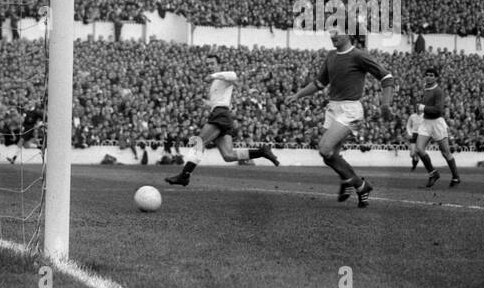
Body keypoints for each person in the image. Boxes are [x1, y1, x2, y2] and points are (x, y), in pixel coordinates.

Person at [288, 28, 395, 207]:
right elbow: (319, 83)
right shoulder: (331, 56)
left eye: (337, 32)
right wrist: (298, 95)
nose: (333, 35)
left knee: (324, 148)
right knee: (329, 156)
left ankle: (352, 183)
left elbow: (387, 77)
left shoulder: (359, 56)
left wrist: (385, 104)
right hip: (333, 108)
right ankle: (359, 186)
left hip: (350, 109)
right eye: (331, 32)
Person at [166, 52, 279, 186]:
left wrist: (213, 75)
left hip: (221, 114)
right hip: (222, 114)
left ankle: (184, 175)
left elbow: (234, 75)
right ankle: (262, 151)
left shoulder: (223, 77)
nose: (209, 66)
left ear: (219, 65)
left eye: (212, 64)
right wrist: (205, 103)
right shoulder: (216, 82)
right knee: (228, 156)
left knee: (200, 142)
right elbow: (219, 101)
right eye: (207, 64)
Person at [414, 65, 461, 188]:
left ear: (436, 78)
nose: (428, 77)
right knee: (419, 149)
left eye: (431, 75)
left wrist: (423, 107)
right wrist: (420, 107)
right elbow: (422, 107)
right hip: (426, 123)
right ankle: (433, 173)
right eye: (427, 75)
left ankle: (456, 177)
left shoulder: (438, 91)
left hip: (437, 123)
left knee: (445, 152)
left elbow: (439, 110)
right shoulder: (425, 89)